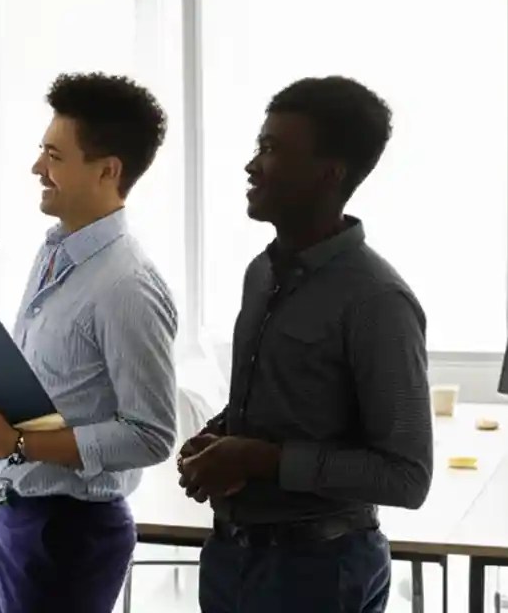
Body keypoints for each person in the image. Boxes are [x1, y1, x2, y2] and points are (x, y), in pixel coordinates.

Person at [0, 72, 178, 613]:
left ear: (107, 170)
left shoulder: (127, 286)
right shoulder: (57, 251)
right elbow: (50, 380)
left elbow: (150, 435)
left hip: (70, 533)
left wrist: (15, 444)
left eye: (54, 156)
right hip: (20, 516)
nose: (37, 168)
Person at [177, 76, 432, 612]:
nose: (252, 166)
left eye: (272, 150)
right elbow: (283, 403)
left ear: (328, 173)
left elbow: (407, 477)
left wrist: (261, 460)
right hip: (230, 555)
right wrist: (221, 434)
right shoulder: (261, 272)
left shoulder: (377, 300)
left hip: (320, 570)